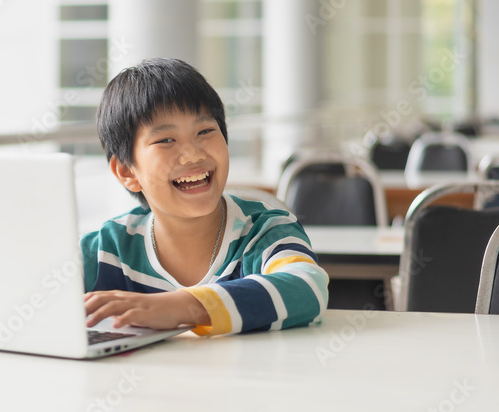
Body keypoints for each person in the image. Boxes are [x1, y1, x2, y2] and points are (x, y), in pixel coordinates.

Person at [82, 58, 329, 336]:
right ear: (127, 171)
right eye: (165, 140)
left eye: (205, 131)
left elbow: (308, 289)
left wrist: (183, 307)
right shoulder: (105, 250)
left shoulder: (266, 231)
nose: (194, 154)